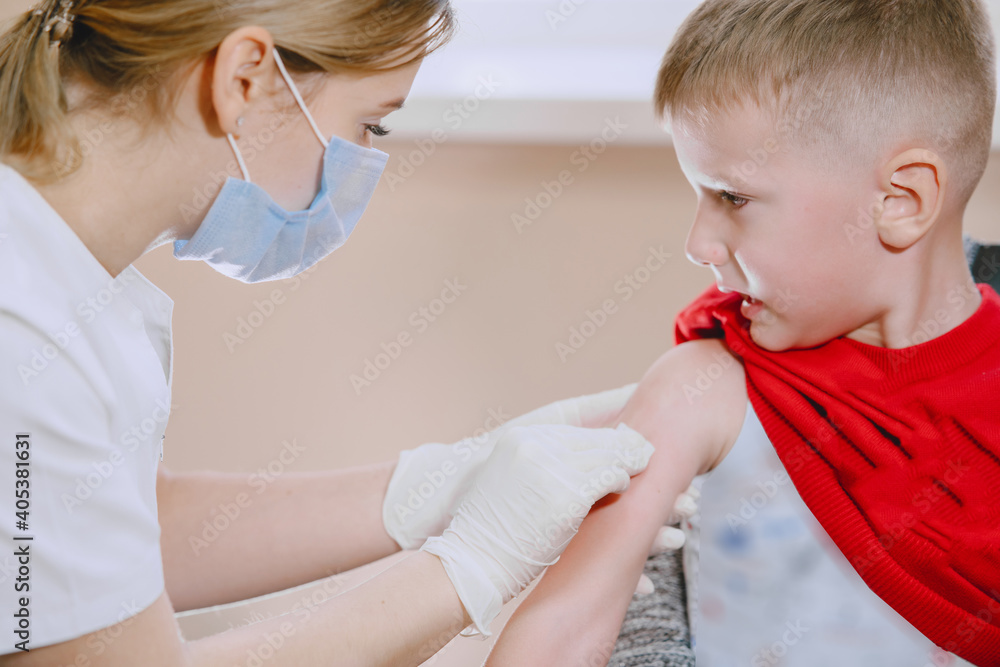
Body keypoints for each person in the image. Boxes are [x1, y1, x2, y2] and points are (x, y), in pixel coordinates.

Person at [0, 1, 677, 664]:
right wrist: (472, 564)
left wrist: (437, 484)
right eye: (371, 125)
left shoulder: (74, 279)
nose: (363, 160)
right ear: (245, 77)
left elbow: (121, 532)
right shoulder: (23, 326)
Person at [478, 0, 1000, 665]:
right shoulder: (703, 387)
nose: (698, 243)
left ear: (900, 200)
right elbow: (565, 624)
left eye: (733, 197)